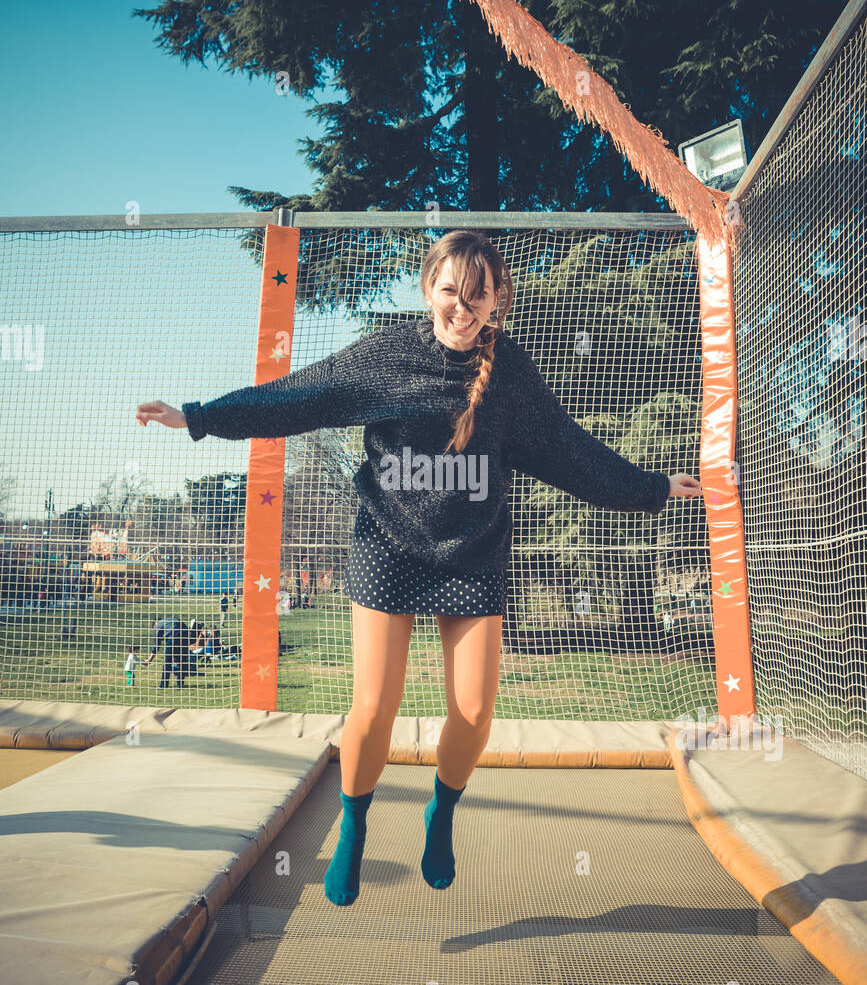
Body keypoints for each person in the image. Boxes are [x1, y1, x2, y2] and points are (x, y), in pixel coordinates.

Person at [136, 229, 701, 906]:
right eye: (449, 292)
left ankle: (440, 813)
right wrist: (197, 417)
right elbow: (297, 397)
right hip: (388, 547)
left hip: (472, 552)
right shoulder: (385, 357)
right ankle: (354, 825)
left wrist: (651, 487)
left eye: (477, 295)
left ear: (497, 300)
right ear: (427, 289)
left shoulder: (509, 375)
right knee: (373, 707)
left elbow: (566, 450)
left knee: (473, 710)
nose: (461, 307)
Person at [141, 616, 191, 688]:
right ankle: (180, 684)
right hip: (185, 637)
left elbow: (156, 646)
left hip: (173, 637)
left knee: (167, 662)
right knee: (182, 662)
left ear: (155, 624)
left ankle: (163, 685)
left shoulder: (158, 625)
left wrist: (149, 660)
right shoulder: (173, 619)